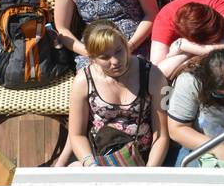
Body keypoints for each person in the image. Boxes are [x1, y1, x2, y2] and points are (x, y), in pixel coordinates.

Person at [66, 21, 170, 167]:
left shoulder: (153, 75)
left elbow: (162, 135)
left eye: (119, 51)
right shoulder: (83, 81)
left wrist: (148, 174)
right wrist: (91, 165)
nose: (114, 61)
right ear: (92, 58)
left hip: (143, 159)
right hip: (101, 158)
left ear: (126, 44)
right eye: (104, 57)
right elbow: (77, 135)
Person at [148, 0, 224, 80]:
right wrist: (190, 52)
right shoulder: (164, 22)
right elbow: (156, 73)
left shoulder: (220, 6)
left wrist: (183, 46)